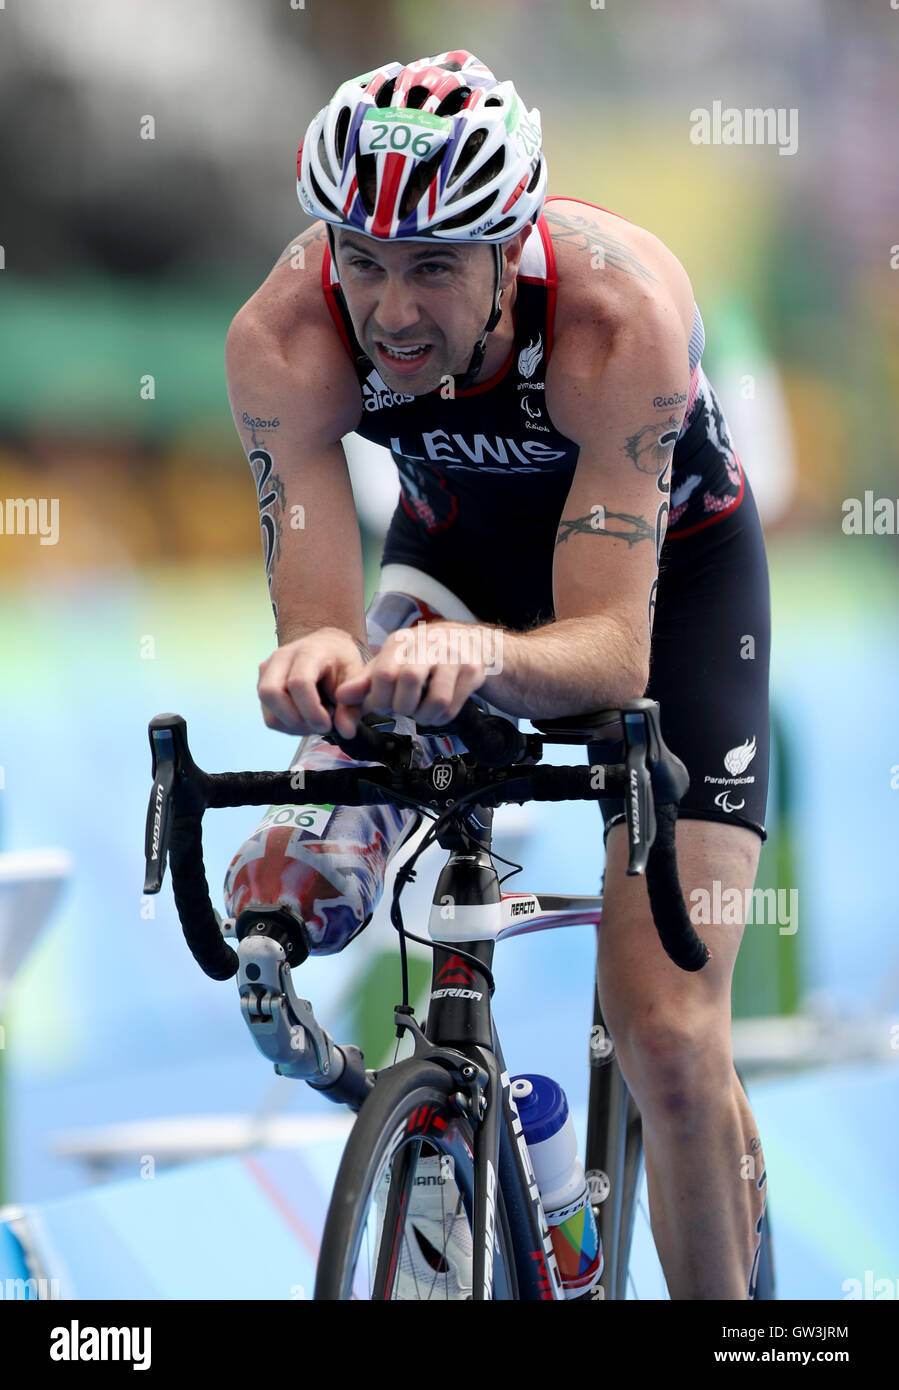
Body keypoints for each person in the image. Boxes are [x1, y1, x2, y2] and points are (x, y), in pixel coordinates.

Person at [223, 50, 771, 1300]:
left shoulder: (614, 317)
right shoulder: (285, 337)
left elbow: (606, 655)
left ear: (508, 246)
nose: (390, 308)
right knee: (309, 835)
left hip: (669, 598)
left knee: (668, 1038)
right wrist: (322, 670)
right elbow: (317, 629)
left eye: (430, 266)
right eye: (360, 260)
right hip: (456, 564)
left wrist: (479, 658)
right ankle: (459, 1118)